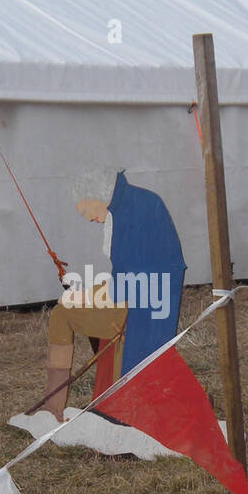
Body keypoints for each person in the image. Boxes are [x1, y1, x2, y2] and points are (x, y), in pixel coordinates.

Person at [41, 170, 186, 421]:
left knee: (61, 315)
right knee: (67, 307)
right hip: (142, 297)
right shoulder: (132, 204)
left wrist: (86, 297)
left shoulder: (132, 211)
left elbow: (129, 283)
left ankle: (53, 408)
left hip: (142, 305)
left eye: (85, 211)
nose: (88, 219)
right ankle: (58, 406)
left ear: (96, 195)